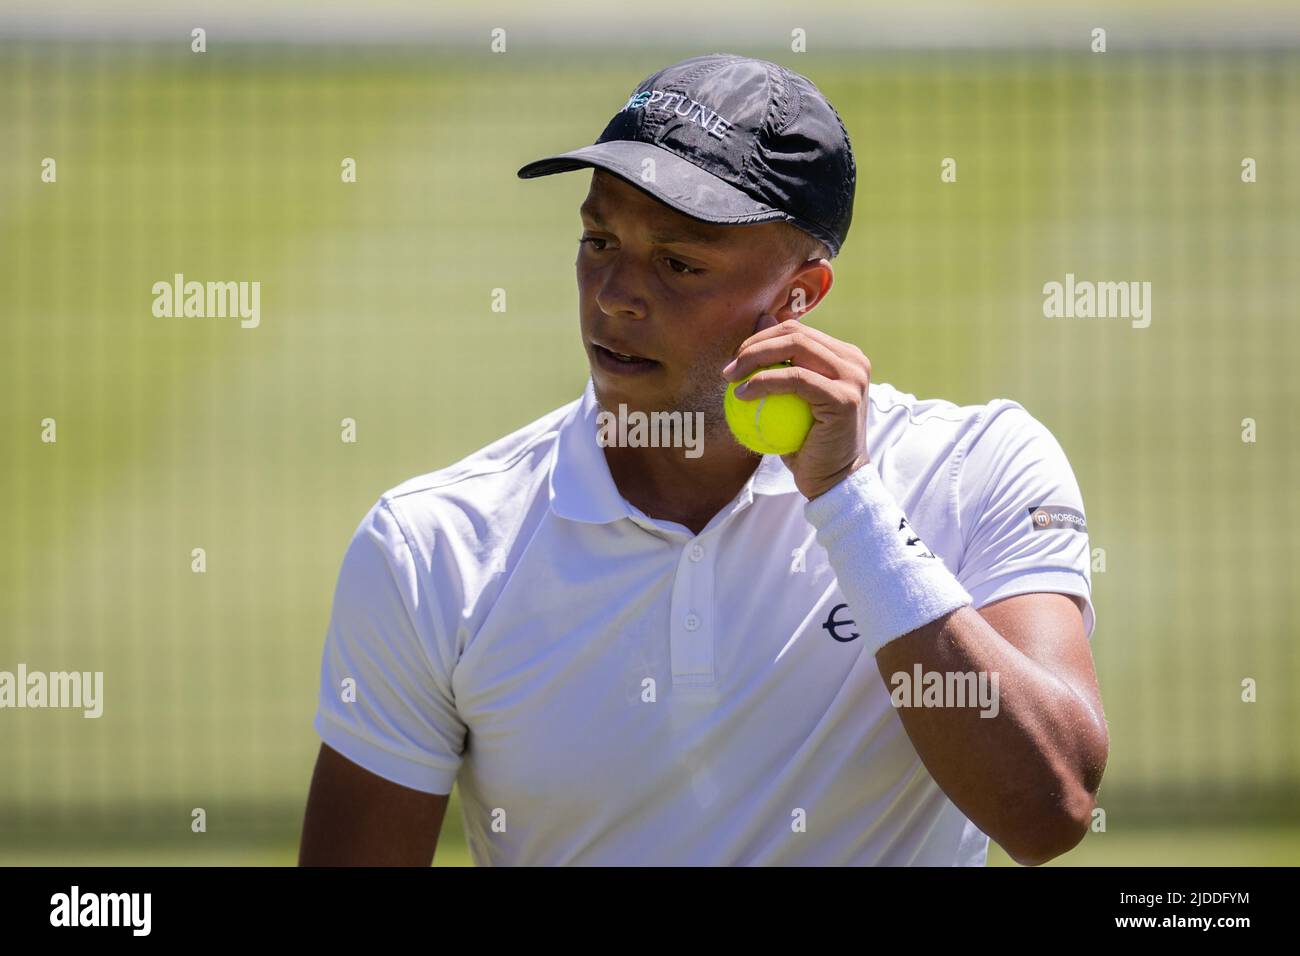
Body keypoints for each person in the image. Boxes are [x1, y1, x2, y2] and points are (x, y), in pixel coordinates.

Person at [299, 53, 1108, 866]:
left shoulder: (978, 470)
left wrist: (847, 499)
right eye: (597, 239)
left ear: (800, 295)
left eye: (678, 263)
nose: (614, 293)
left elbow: (1050, 808)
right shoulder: (430, 547)